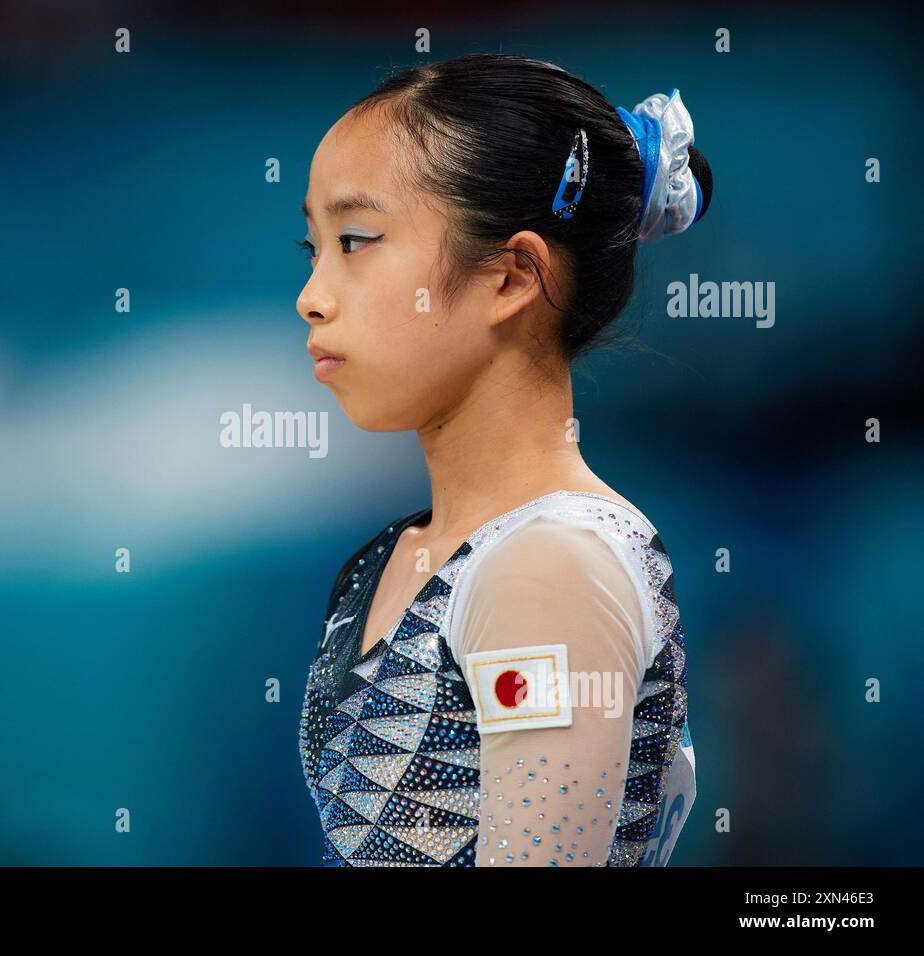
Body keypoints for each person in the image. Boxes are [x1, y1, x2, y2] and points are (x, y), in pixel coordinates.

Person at [296, 53, 706, 866]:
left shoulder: (546, 567)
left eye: (355, 242)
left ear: (513, 276)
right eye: (310, 249)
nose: (313, 294)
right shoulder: (392, 560)